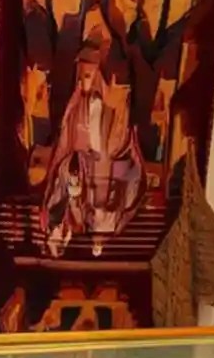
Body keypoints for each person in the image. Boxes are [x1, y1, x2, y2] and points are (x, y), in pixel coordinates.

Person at [39, 39, 144, 257]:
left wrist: (76, 182)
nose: (82, 81)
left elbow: (123, 160)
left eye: (87, 75)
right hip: (99, 164)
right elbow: (66, 154)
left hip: (103, 161)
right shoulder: (78, 109)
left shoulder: (110, 113)